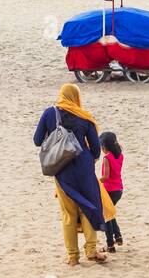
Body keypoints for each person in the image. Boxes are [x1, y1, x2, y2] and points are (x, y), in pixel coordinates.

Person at [33, 84, 108, 265]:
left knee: (68, 213)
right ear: (76, 97)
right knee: (88, 207)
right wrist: (89, 159)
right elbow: (96, 149)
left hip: (61, 168)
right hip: (83, 168)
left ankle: (72, 257)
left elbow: (37, 140)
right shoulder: (85, 117)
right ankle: (91, 250)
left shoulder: (50, 113)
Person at [100, 131, 124, 253]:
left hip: (109, 191)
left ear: (104, 147)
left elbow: (106, 176)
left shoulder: (106, 158)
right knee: (110, 213)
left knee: (107, 217)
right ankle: (118, 237)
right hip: (119, 189)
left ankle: (110, 245)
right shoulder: (120, 155)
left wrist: (96, 181)